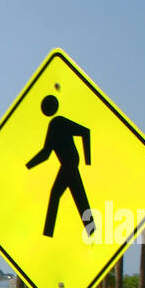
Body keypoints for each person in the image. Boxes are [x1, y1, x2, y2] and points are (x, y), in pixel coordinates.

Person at [26, 95, 94, 238]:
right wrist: (28, 165)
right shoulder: (54, 125)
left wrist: (88, 161)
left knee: (64, 196)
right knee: (77, 198)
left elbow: (85, 132)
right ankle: (91, 230)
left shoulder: (59, 123)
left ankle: (48, 233)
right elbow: (46, 153)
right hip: (68, 165)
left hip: (70, 165)